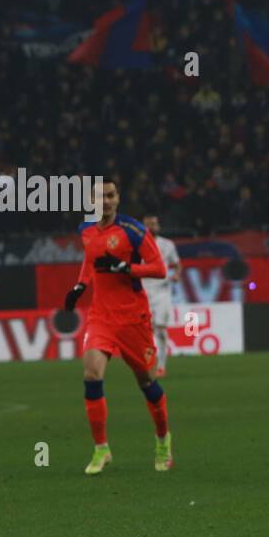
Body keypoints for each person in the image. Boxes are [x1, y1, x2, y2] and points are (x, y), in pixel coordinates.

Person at [63, 179, 173, 472]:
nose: (106, 201)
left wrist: (128, 268)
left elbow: (159, 268)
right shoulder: (86, 229)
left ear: (118, 198)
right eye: (100, 196)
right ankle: (101, 449)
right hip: (101, 316)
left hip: (133, 318)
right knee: (92, 374)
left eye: (111, 195)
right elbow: (90, 260)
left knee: (147, 382)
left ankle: (163, 441)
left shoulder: (134, 231)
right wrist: (79, 286)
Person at [141, 214, 181, 377]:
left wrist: (177, 274)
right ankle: (148, 364)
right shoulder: (136, 245)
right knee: (145, 332)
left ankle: (161, 366)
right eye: (149, 224)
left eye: (155, 223)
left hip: (162, 290)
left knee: (161, 328)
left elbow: (178, 264)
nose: (153, 226)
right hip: (142, 291)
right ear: (143, 227)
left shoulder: (167, 244)